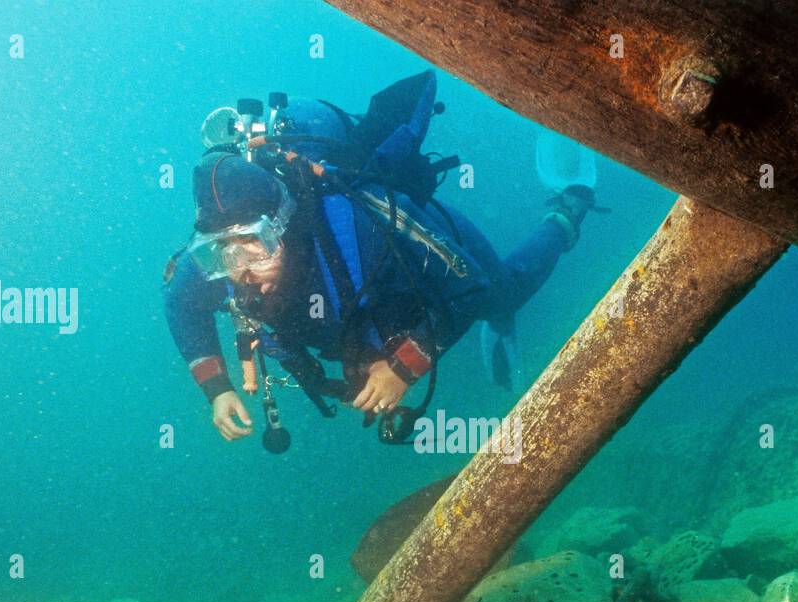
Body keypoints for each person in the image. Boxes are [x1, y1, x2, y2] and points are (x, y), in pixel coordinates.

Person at [162, 72, 597, 448]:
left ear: (283, 226)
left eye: (255, 245)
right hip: (374, 323)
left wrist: (403, 368)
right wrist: (217, 389)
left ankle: (567, 210)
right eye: (219, 251)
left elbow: (469, 285)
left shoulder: (359, 217)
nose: (240, 270)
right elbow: (181, 303)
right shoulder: (223, 258)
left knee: (504, 295)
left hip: (435, 252)